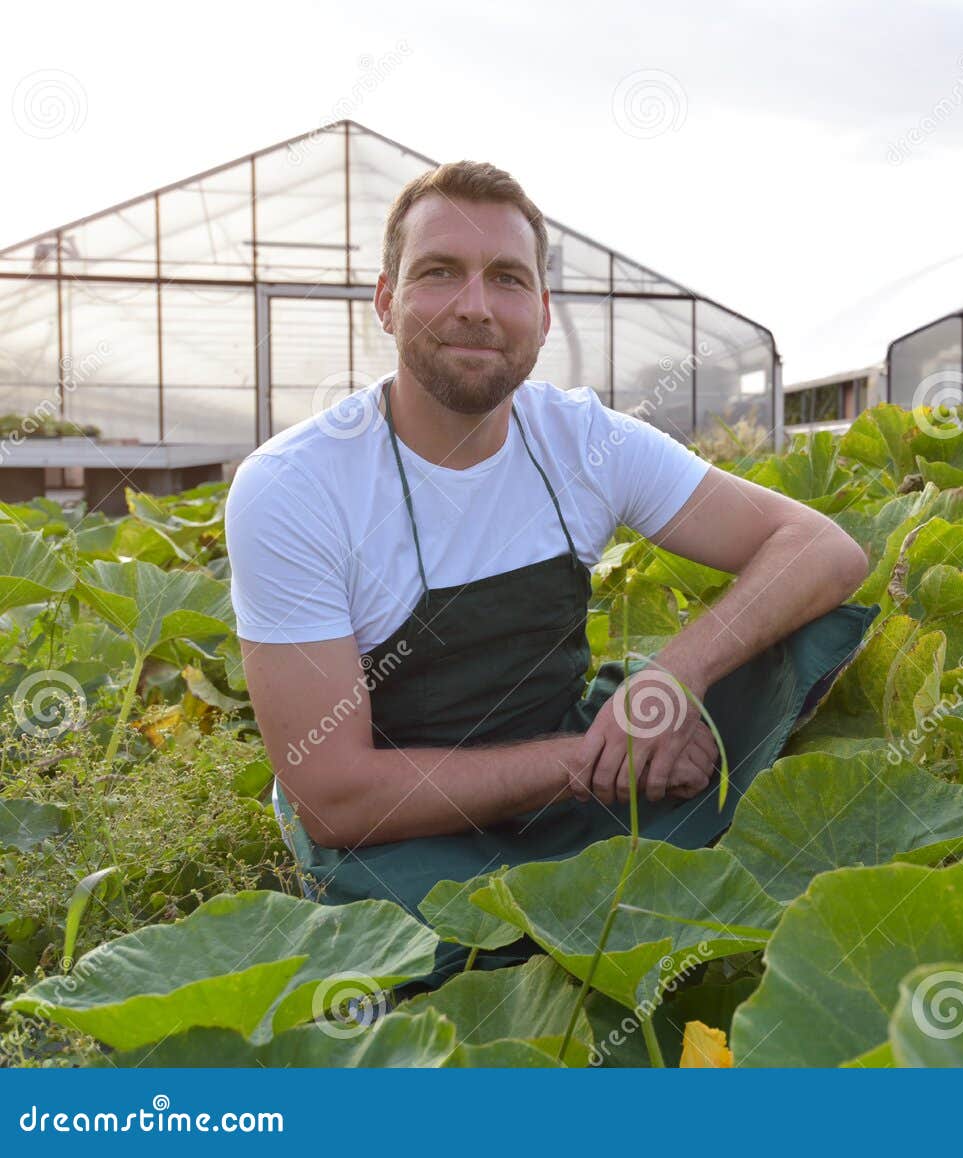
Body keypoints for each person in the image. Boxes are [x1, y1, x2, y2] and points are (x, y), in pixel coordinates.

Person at [223, 160, 874, 977]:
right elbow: (332, 793)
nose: (474, 306)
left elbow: (825, 549)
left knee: (798, 635)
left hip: (565, 749)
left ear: (541, 311)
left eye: (506, 279)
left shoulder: (584, 439)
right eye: (439, 273)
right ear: (385, 301)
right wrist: (592, 766)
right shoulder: (296, 486)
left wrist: (675, 676)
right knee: (470, 954)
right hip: (400, 819)